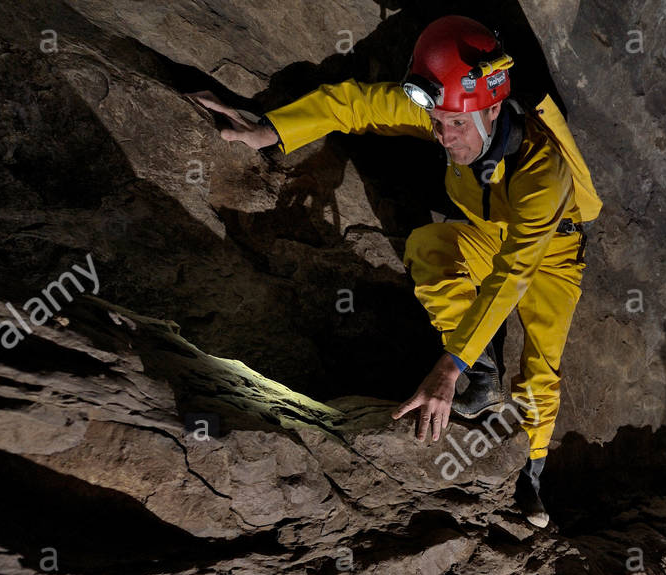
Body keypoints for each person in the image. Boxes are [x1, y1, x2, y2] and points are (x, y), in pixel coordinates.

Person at [191, 15, 601, 528]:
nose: (444, 136)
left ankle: (531, 474)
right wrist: (270, 129)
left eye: (456, 125)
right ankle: (481, 376)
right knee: (430, 246)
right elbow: (356, 103)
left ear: (492, 108)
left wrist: (444, 368)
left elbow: (512, 276)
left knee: (541, 366)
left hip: (551, 249)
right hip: (489, 231)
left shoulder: (544, 168)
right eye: (439, 121)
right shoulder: (451, 110)